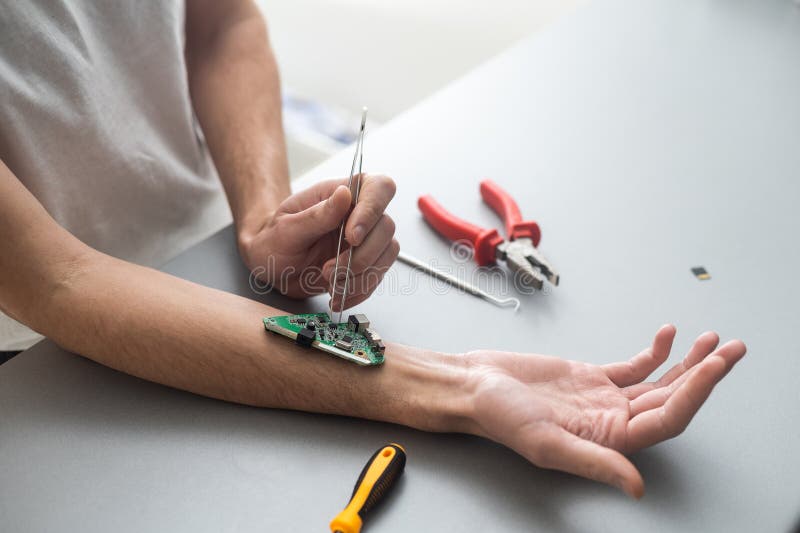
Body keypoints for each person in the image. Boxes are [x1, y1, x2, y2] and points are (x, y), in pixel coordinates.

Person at [0, 0, 745, 498]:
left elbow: (221, 25)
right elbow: (57, 281)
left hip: (208, 248)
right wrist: (457, 386)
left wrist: (261, 223)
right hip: (37, 359)